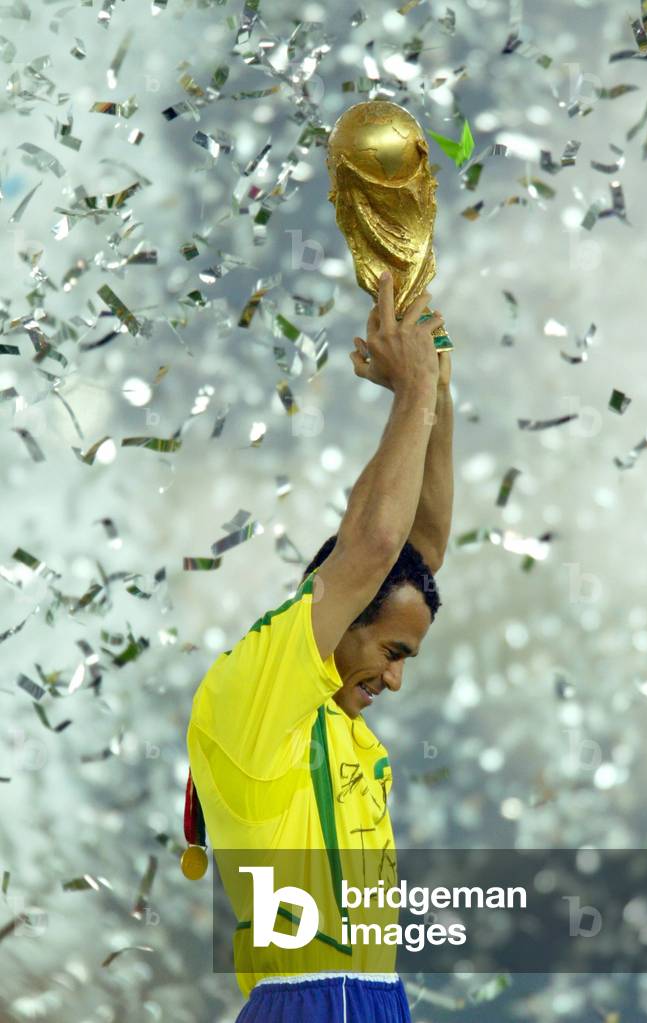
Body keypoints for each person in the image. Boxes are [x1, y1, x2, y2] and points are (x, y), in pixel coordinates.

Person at [186, 269, 454, 1022]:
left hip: (371, 1001)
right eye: (392, 653)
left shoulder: (332, 719)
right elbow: (372, 544)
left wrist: (435, 385)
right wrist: (412, 396)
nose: (393, 682)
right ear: (341, 616)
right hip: (310, 1005)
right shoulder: (259, 689)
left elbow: (414, 549)